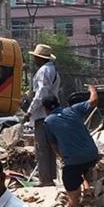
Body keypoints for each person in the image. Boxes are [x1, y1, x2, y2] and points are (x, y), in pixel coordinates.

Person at [43, 85, 101, 207]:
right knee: (84, 168)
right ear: (58, 103)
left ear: (46, 109)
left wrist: (62, 158)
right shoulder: (73, 110)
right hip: (92, 155)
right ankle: (88, 187)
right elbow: (94, 100)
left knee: (72, 196)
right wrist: (92, 88)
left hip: (74, 161)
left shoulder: (48, 121)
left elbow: (53, 145)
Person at [28, 44, 60, 187]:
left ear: (39, 58)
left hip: (42, 114)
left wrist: (30, 111)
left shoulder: (43, 71)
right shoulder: (54, 71)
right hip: (52, 113)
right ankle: (50, 176)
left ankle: (44, 178)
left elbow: (41, 93)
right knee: (50, 146)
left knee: (41, 147)